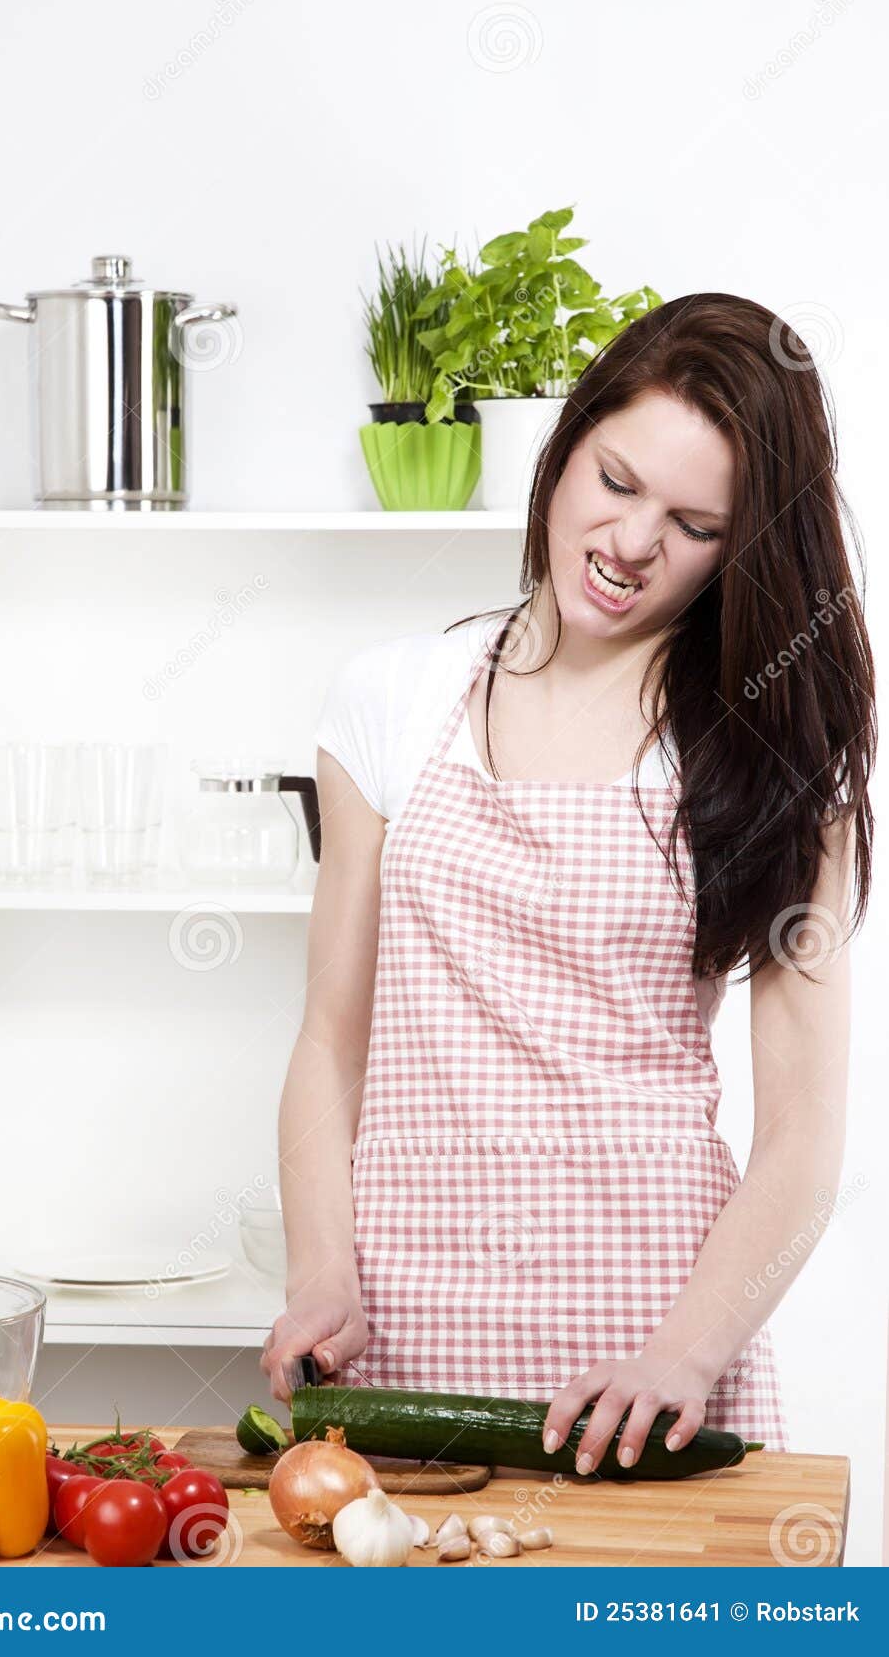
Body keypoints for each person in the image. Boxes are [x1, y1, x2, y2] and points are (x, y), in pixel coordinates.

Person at [260, 292, 874, 1472]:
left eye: (692, 523)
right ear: (561, 449)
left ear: (739, 548)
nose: (632, 541)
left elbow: (802, 1133)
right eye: (613, 479)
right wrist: (320, 1270)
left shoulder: (767, 750)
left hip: (650, 1335)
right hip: (401, 1320)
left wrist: (684, 1356)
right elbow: (330, 1045)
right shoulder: (391, 701)